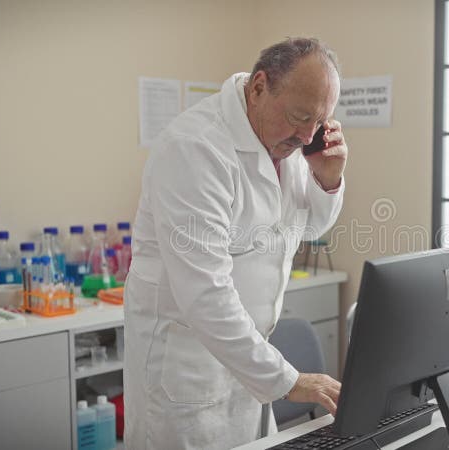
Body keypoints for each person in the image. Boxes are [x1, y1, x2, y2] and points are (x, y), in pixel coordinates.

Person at [123, 37, 347, 449]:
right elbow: (205, 293)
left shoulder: (289, 142)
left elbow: (310, 228)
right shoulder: (195, 148)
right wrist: (289, 379)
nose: (307, 136)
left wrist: (327, 178)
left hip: (248, 365)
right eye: (300, 118)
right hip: (189, 373)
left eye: (320, 122)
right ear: (259, 87)